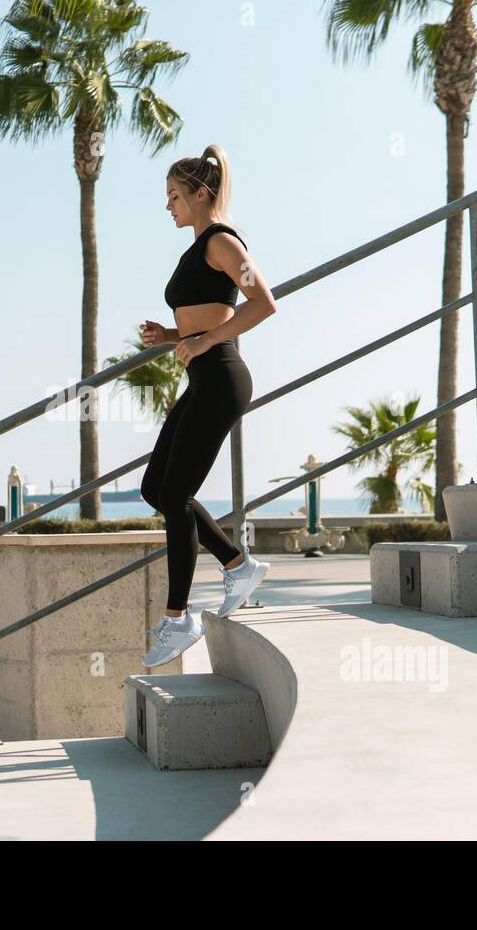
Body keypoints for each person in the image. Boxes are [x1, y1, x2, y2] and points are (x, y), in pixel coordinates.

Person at [139, 144, 277, 668]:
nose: (168, 205)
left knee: (175, 494)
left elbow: (263, 303)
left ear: (201, 194)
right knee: (157, 488)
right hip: (204, 378)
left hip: (221, 377)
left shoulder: (221, 241)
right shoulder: (199, 245)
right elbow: (212, 310)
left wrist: (201, 341)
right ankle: (237, 564)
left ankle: (178, 618)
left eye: (174, 195)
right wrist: (173, 335)